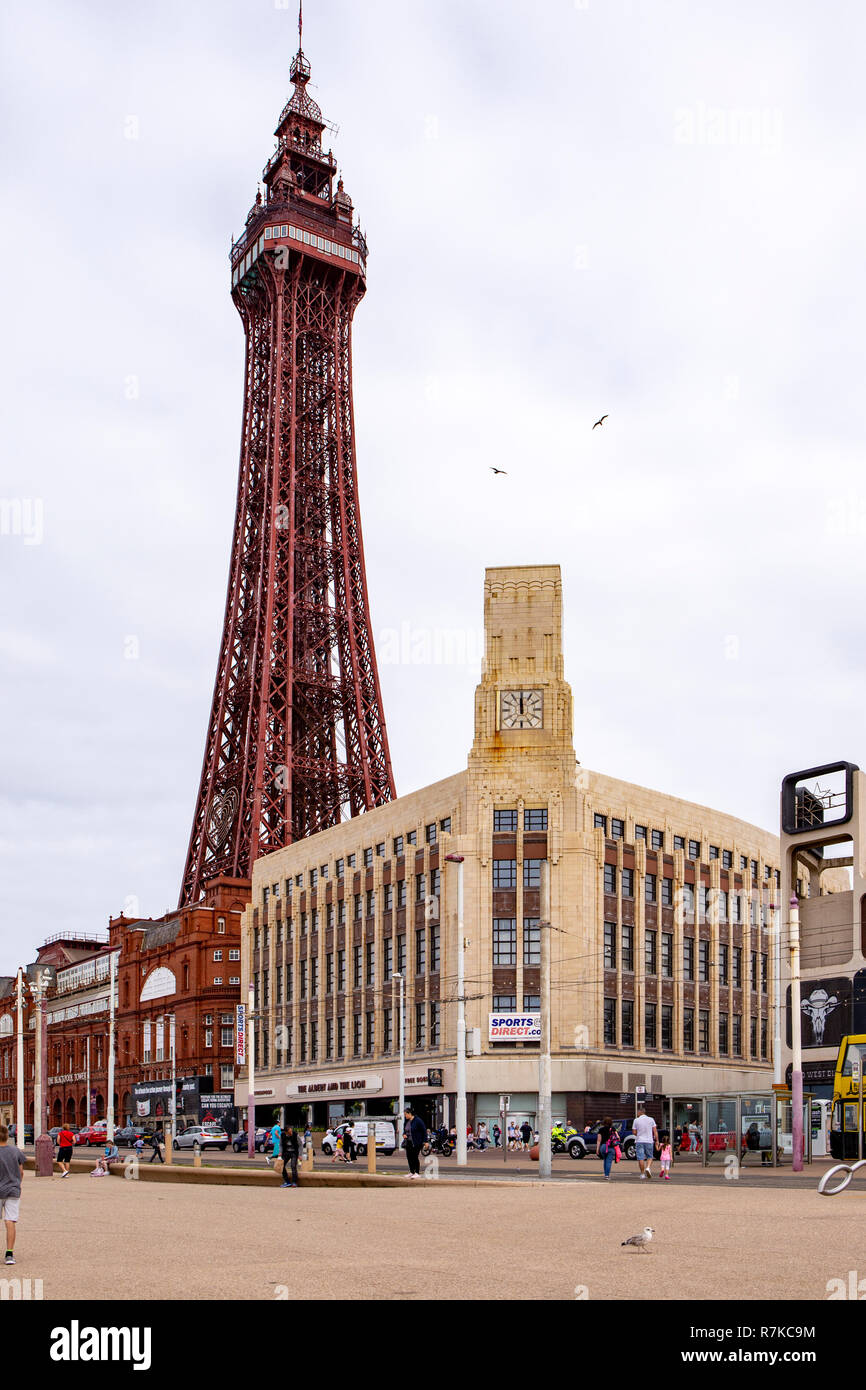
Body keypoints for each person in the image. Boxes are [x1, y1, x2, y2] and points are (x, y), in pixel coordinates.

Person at [0, 1123, 26, 1266]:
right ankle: (9, 1253)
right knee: (10, 1221)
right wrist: (17, 1184)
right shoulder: (16, 1151)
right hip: (13, 1190)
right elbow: (21, 1172)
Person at [633, 1107, 658, 1179]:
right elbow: (655, 1131)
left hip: (639, 1140)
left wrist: (639, 1134)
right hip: (649, 1140)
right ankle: (648, 1167)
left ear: (640, 1112)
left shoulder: (636, 1120)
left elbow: (634, 1132)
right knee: (650, 1156)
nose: (637, 1114)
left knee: (640, 1157)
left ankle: (642, 1174)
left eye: (637, 1112)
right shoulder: (651, 1119)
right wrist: (657, 1140)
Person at [402, 1107, 426, 1178]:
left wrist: (425, 1141)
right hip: (408, 1142)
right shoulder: (406, 1121)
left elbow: (424, 1131)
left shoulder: (418, 1120)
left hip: (416, 1142)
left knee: (415, 1157)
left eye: (405, 1114)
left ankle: (417, 1172)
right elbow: (405, 1130)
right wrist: (404, 1134)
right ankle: (411, 1171)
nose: (405, 1116)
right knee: (409, 1157)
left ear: (410, 1113)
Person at [598, 1116, 619, 1181]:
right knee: (609, 1162)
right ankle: (607, 1176)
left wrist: (597, 1149)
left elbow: (599, 1140)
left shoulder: (601, 1129)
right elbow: (618, 1137)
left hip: (603, 1147)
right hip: (611, 1147)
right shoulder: (613, 1129)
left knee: (605, 1160)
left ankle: (605, 1174)